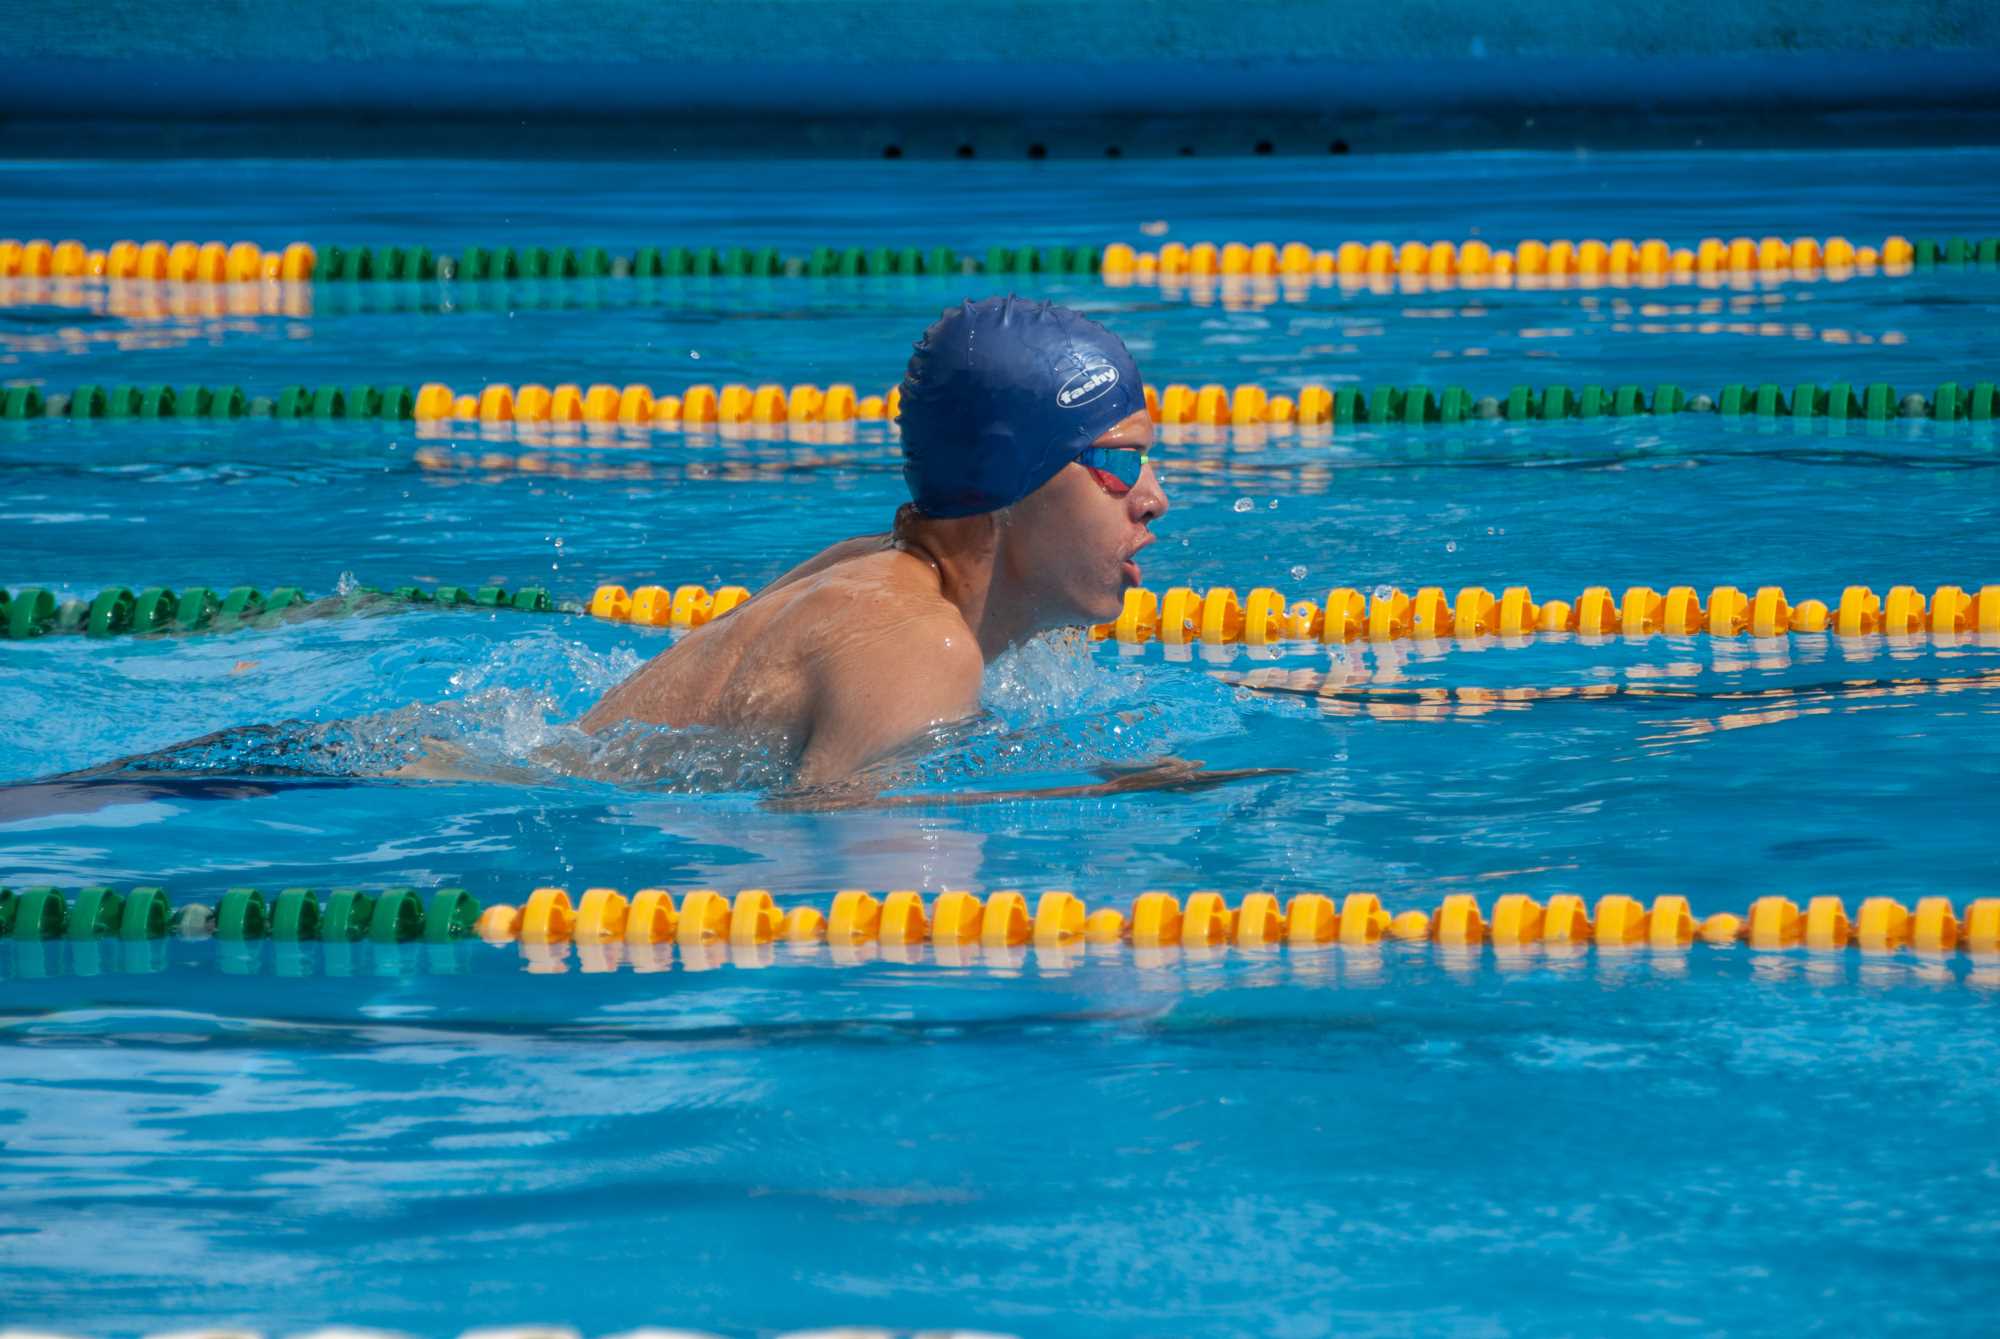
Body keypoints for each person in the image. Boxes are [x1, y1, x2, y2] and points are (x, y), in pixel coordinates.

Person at [582, 296, 1261, 800]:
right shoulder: (914, 640)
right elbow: (835, 841)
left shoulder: (878, 569)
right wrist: (1103, 795)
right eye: (1119, 462)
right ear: (1009, 477)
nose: (1154, 498)